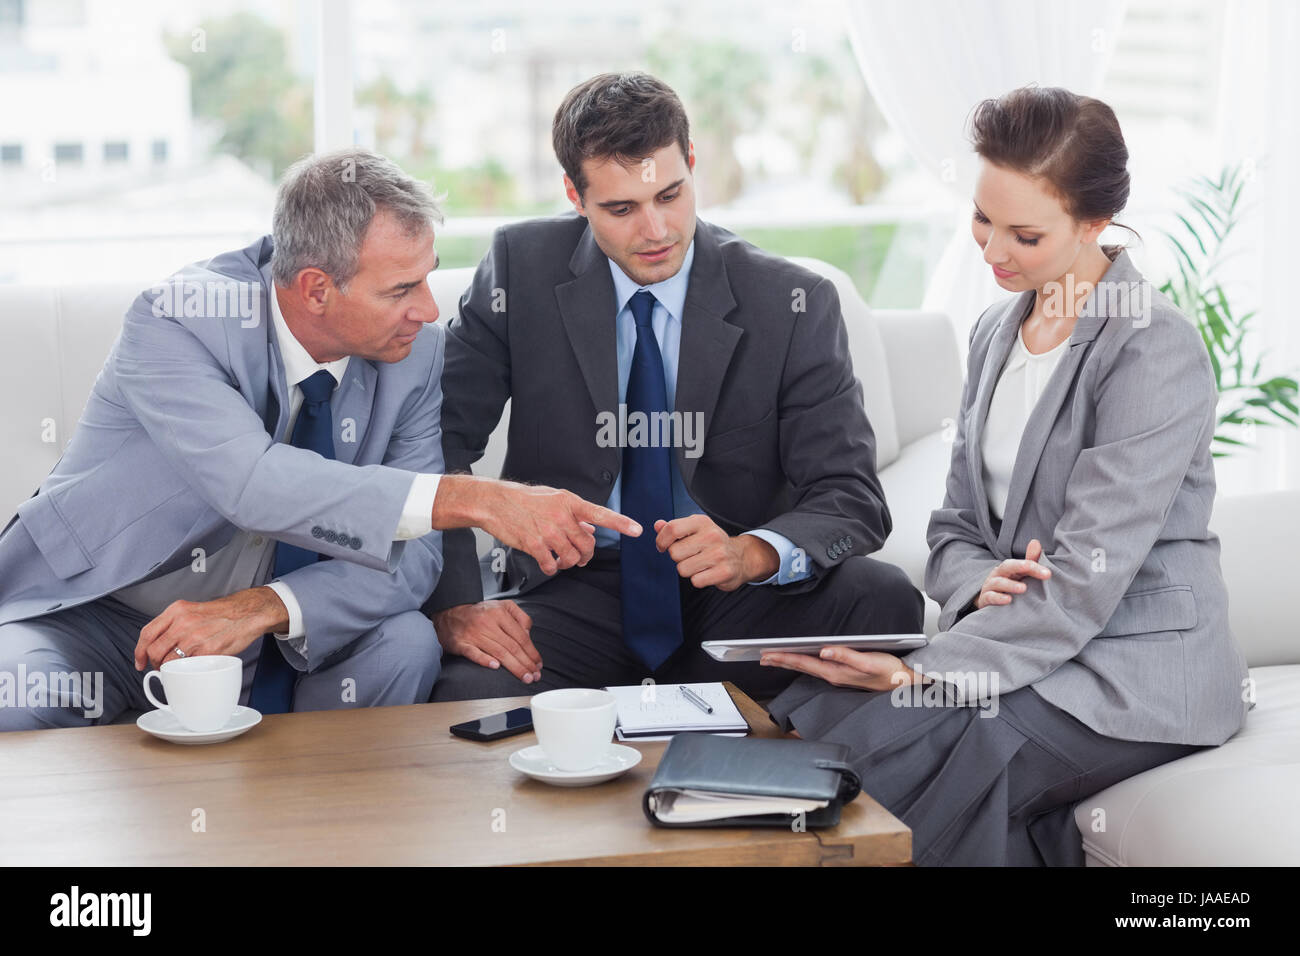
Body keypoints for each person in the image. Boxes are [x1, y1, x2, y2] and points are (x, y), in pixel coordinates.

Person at [760, 86, 1251, 866]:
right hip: (1028, 649)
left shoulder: (1151, 349)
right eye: (983, 219)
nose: (992, 251)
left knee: (904, 749)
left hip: (1131, 677)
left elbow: (1083, 580)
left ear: (1095, 224)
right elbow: (952, 527)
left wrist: (924, 671)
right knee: (830, 718)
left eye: (1024, 233)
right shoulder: (996, 328)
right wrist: (979, 580)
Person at [0, 147, 636, 731]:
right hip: (105, 623)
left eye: (427, 277)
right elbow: (254, 483)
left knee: (407, 644)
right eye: (401, 289)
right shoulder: (179, 320)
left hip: (282, 640)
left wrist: (265, 607)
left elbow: (414, 561)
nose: (429, 310)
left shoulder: (413, 357)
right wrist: (476, 498)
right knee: (16, 688)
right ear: (315, 289)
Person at [425, 72, 922, 702]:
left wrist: (754, 554)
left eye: (670, 194)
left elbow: (851, 497)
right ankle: (702, 713)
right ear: (575, 197)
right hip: (573, 594)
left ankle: (702, 724)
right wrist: (458, 603)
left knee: (881, 600)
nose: (656, 230)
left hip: (737, 598)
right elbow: (437, 438)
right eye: (622, 209)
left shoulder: (792, 303)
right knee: (464, 690)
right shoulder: (519, 271)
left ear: (691, 164)